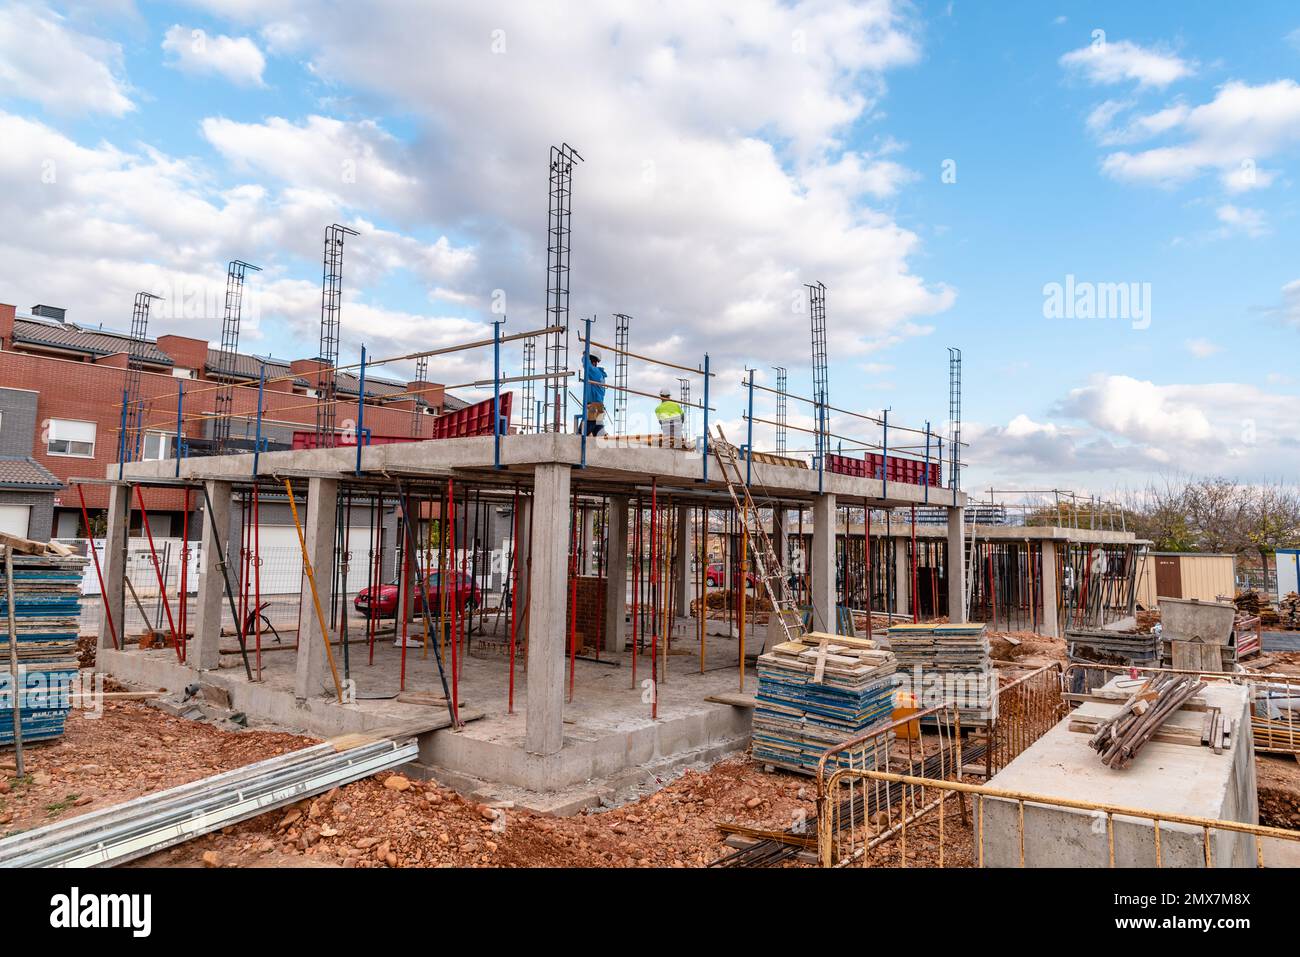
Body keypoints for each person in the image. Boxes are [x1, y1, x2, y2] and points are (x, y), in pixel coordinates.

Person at [583, 351, 607, 436]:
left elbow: (586, 365)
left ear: (593, 362)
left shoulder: (595, 372)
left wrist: (585, 355)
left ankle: (578, 439)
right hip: (598, 405)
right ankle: (604, 439)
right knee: (598, 428)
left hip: (594, 405)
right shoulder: (600, 375)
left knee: (589, 425)